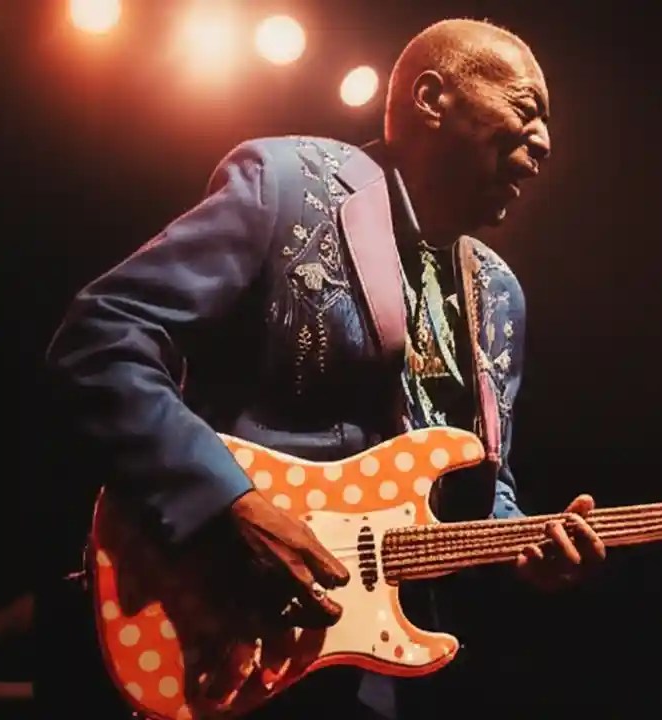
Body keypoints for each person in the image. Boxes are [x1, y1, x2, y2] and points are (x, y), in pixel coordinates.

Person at [38, 17, 605, 720]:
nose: (546, 144)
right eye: (526, 112)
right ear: (433, 98)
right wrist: (227, 504)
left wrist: (525, 545)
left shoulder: (500, 294)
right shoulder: (288, 186)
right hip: (221, 623)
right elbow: (102, 337)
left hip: (377, 669)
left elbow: (484, 475)